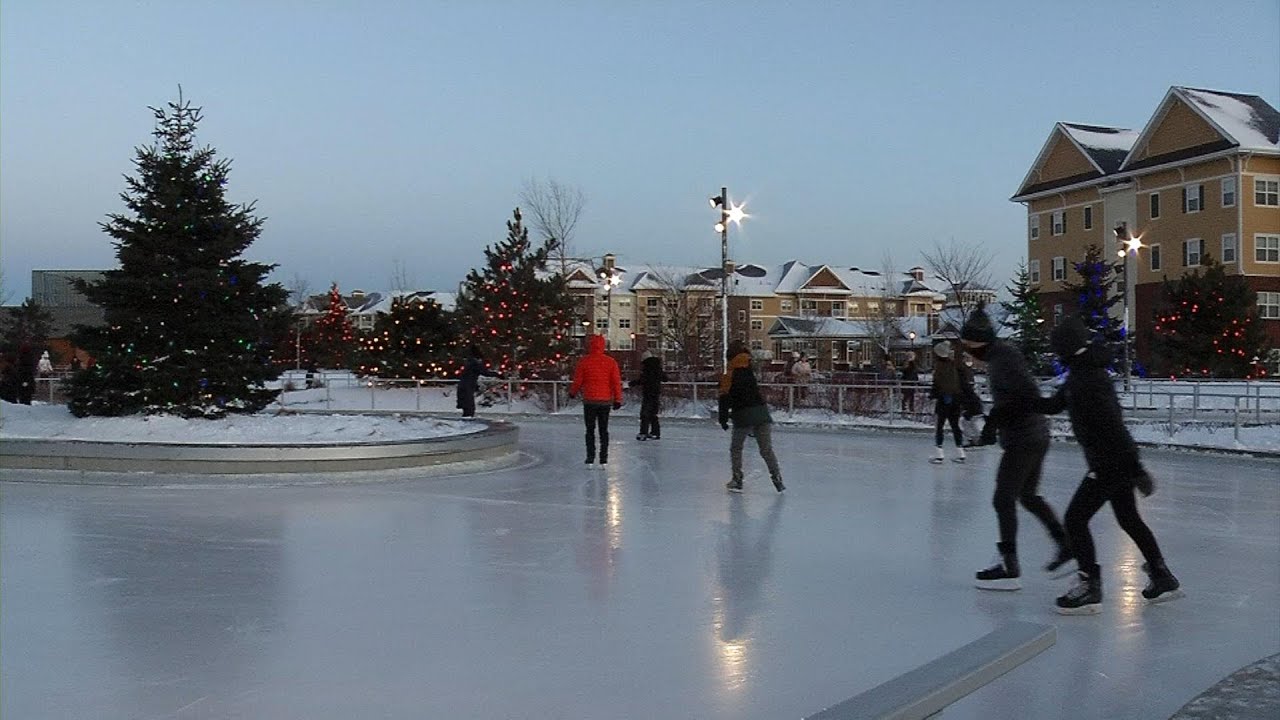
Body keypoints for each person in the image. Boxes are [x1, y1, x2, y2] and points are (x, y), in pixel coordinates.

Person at [1034, 315, 1180, 614]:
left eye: (1056, 348)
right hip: (1113, 461)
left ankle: (1090, 586)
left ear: (1066, 348)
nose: (1055, 354)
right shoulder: (1081, 373)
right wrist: (1019, 400)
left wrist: (1136, 469)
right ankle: (1161, 574)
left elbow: (1114, 426)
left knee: (1075, 519)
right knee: (1129, 519)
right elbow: (1054, 404)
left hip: (1109, 462)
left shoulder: (1089, 379)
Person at [964, 303, 1070, 591]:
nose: (967, 353)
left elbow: (1023, 397)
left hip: (1024, 438)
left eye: (968, 347)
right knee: (1027, 496)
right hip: (1032, 434)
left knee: (1003, 499)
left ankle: (1010, 566)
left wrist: (993, 422)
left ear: (979, 343)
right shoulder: (1002, 357)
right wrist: (995, 422)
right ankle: (1065, 544)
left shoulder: (1003, 361)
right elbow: (1018, 398)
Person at [719, 341, 784, 493]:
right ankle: (777, 477)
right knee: (766, 449)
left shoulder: (729, 375)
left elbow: (724, 398)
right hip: (761, 412)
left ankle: (737, 479)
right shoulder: (749, 370)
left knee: (736, 448)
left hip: (743, 415)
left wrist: (723, 418)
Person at [569, 334, 623, 465]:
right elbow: (616, 382)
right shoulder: (611, 362)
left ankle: (590, 457)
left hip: (590, 400)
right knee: (603, 430)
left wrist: (573, 392)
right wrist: (617, 399)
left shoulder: (584, 361)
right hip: (605, 401)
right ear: (603, 346)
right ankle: (603, 458)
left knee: (590, 430)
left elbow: (578, 380)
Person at [928, 341, 965, 464]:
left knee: (940, 426)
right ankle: (960, 452)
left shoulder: (939, 367)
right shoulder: (953, 365)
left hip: (944, 400)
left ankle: (939, 453)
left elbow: (937, 384)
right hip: (956, 399)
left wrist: (932, 395)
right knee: (955, 426)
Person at [456, 345, 500, 418]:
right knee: (469, 407)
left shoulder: (468, 362)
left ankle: (466, 417)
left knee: (466, 406)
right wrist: (497, 374)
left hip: (463, 385)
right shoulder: (474, 364)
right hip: (468, 386)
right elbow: (485, 372)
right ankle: (467, 420)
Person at [634, 350, 668, 440]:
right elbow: (665, 378)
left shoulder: (647, 368)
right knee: (653, 413)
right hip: (656, 393)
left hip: (648, 393)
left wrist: (631, 383)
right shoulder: (658, 367)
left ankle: (643, 433)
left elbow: (642, 380)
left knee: (645, 413)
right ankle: (655, 432)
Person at [958, 352, 985, 447]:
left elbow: (967, 400)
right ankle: (976, 438)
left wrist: (966, 410)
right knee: (968, 422)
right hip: (975, 406)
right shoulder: (965, 387)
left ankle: (975, 439)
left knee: (967, 422)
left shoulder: (963, 389)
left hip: (974, 408)